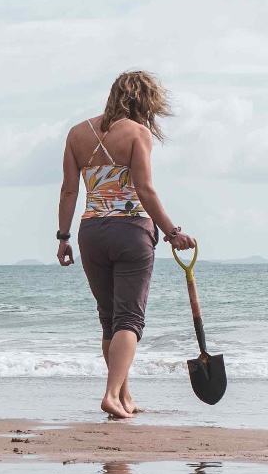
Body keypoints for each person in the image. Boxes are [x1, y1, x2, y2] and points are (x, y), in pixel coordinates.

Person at [56, 70, 194, 420]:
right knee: (129, 320)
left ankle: (124, 396)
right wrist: (172, 232)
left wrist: (63, 237)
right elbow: (145, 189)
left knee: (109, 320)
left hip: (91, 233)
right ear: (145, 100)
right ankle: (111, 395)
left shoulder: (76, 133)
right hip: (131, 231)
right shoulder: (137, 133)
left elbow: (69, 191)